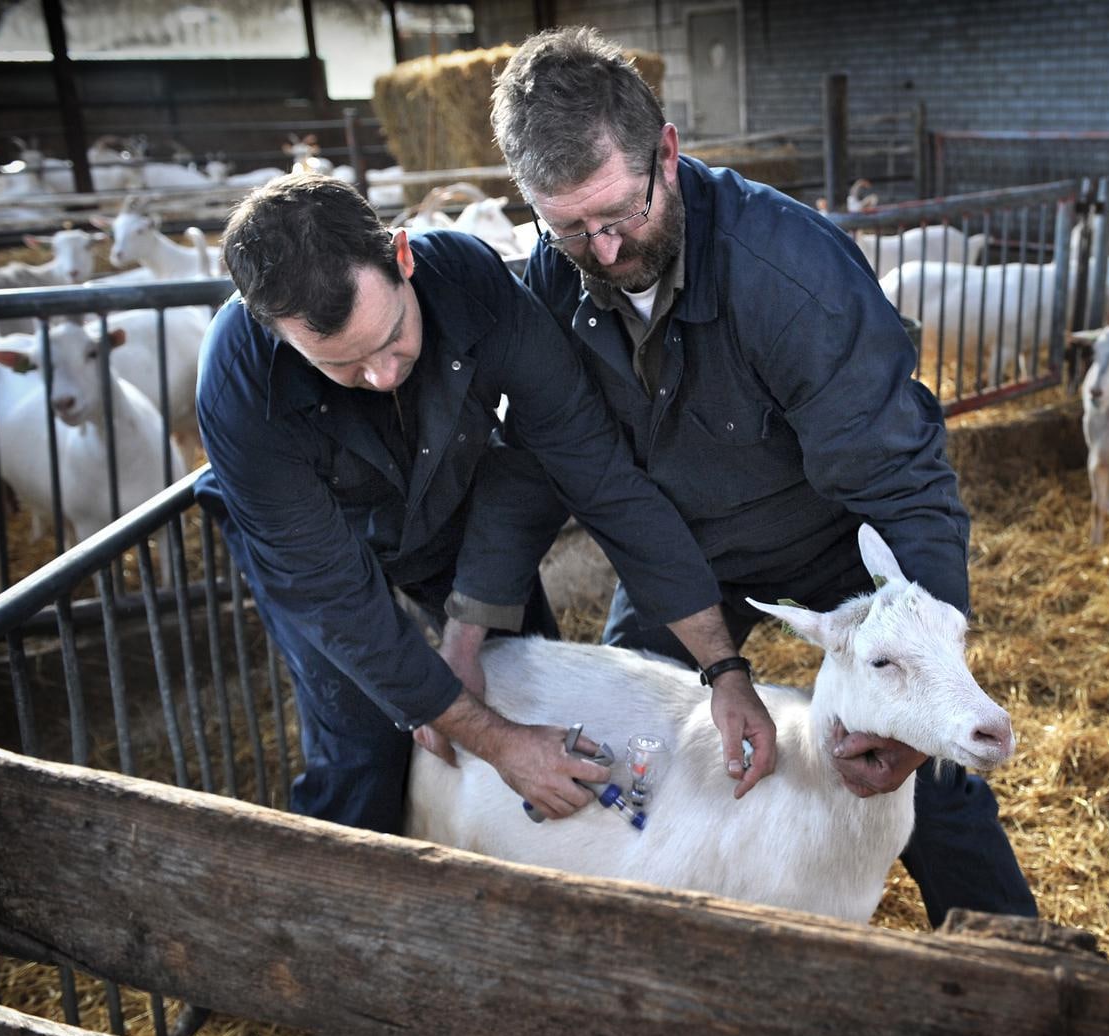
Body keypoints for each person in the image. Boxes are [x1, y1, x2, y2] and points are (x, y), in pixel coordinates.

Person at [490, 26, 1037, 925]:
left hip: (831, 544)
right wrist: (474, 624)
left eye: (621, 213)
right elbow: (537, 461)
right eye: (568, 227)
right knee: (636, 732)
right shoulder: (556, 288)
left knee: (929, 774)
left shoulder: (790, 274)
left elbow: (906, 483)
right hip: (686, 560)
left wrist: (919, 684)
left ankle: (1024, 968)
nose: (607, 248)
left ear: (666, 153)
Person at [194, 173, 778, 836]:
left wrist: (722, 666)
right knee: (364, 741)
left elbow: (595, 471)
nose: (383, 375)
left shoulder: (472, 285)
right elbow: (332, 597)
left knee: (526, 676)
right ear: (277, 333)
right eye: (343, 366)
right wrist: (495, 741)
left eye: (391, 338)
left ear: (404, 257)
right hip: (323, 545)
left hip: (445, 505)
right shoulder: (238, 384)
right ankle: (350, 909)